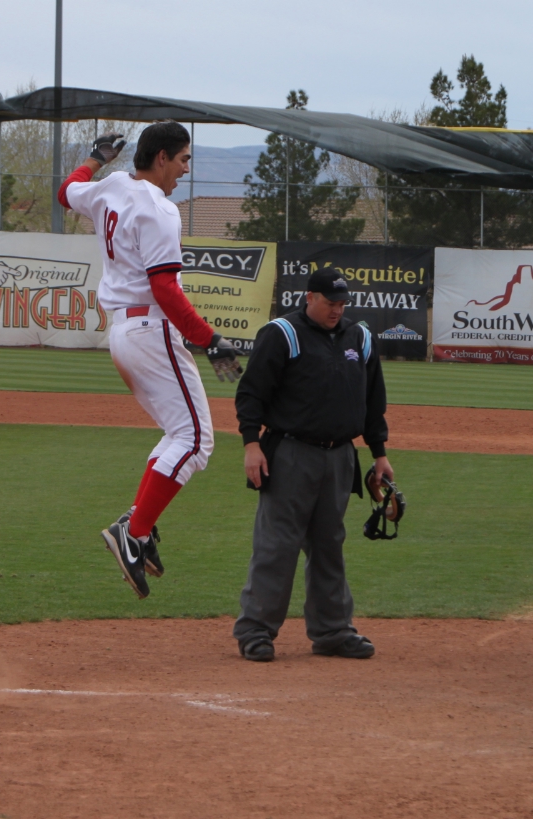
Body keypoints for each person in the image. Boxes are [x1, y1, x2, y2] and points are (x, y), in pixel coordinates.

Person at [57, 123, 240, 599]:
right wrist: (209, 338)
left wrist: (96, 158)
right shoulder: (160, 210)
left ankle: (137, 524)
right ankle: (134, 532)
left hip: (122, 330)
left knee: (180, 435)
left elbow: (66, 191)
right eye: (183, 159)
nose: (184, 169)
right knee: (197, 439)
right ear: (161, 157)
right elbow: (164, 287)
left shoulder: (113, 185)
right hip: (150, 328)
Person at [233, 268, 392, 663]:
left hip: (340, 456)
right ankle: (255, 630)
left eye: (341, 304)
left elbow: (374, 400)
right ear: (310, 297)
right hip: (290, 452)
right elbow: (251, 392)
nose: (336, 311)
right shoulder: (283, 334)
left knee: (329, 544)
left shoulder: (360, 337)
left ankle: (333, 631)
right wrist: (252, 444)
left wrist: (379, 453)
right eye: (330, 303)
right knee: (277, 544)